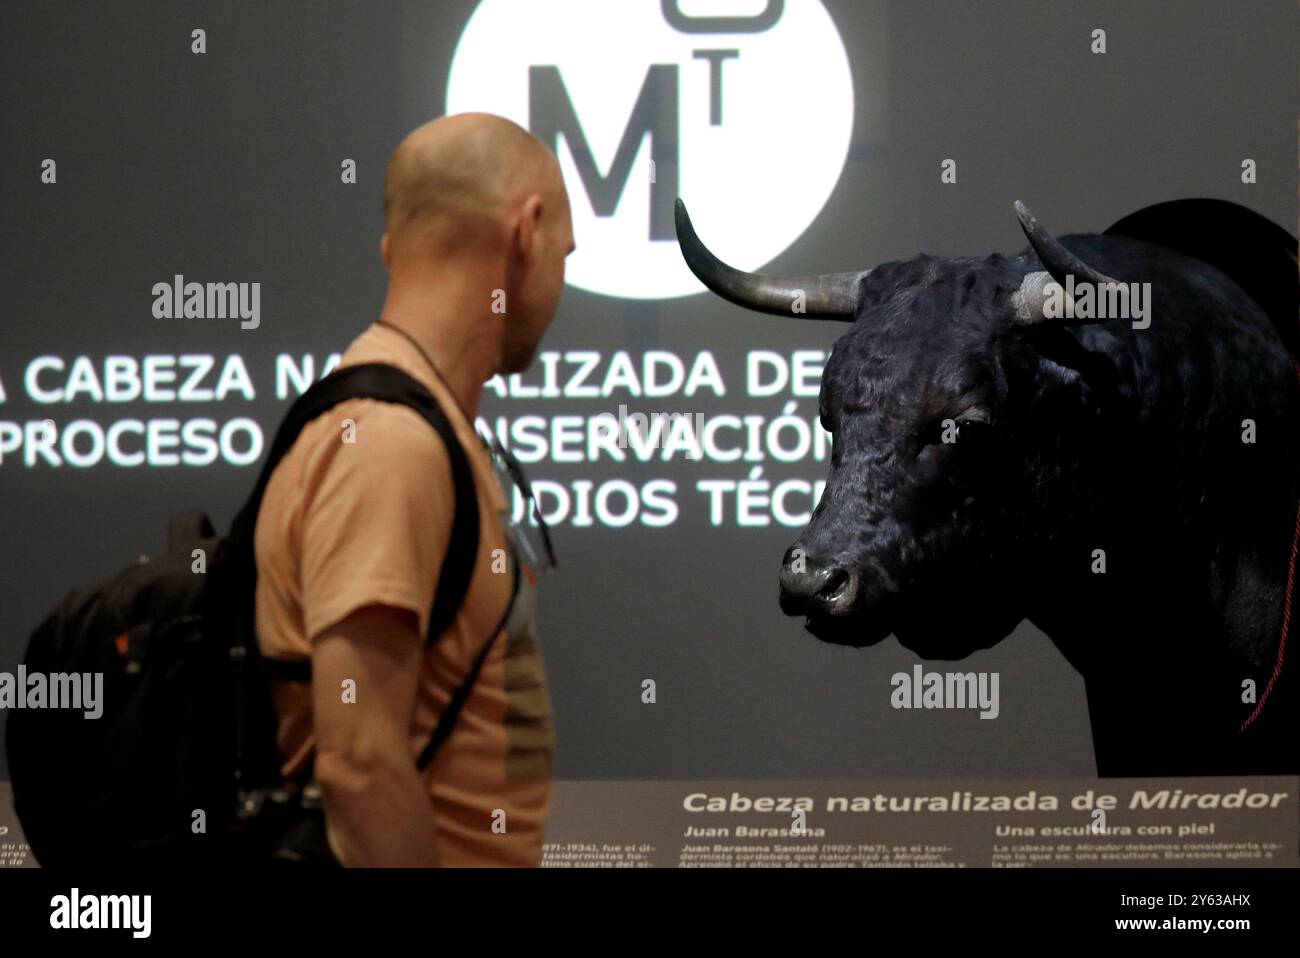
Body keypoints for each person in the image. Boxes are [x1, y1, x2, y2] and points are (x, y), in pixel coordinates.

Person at [253, 112, 574, 866]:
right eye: (564, 251)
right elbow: (359, 763)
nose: (560, 279)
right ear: (524, 235)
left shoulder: (418, 427)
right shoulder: (390, 445)